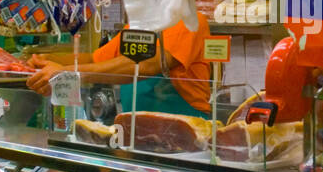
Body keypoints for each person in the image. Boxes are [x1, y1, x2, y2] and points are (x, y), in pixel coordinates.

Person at [26, 13, 214, 115]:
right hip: (141, 134)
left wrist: (68, 74)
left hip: (188, 134)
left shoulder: (191, 21)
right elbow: (94, 59)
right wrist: (37, 62)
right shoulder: (137, 28)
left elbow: (148, 64)